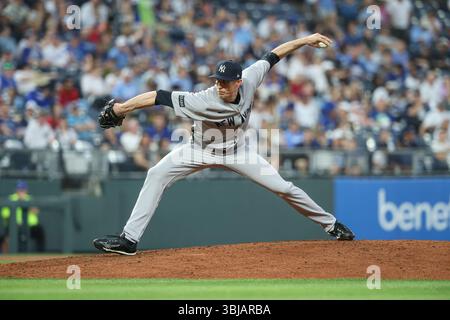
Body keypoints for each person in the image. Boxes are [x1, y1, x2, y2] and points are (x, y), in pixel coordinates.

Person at [93, 33, 355, 255]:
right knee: (156, 174)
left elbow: (273, 55)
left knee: (284, 187)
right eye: (217, 80)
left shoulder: (251, 78)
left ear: (238, 81)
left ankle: (331, 225)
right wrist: (121, 108)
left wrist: (305, 40)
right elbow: (158, 96)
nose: (219, 85)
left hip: (237, 151)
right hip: (198, 150)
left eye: (225, 81)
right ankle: (129, 239)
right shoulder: (202, 99)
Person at [0, 180, 45, 253]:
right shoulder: (11, 198)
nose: (21, 191)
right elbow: (4, 213)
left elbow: (36, 211)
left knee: (40, 231)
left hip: (30, 226)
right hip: (15, 225)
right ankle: (5, 257)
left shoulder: (29, 198)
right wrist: (14, 222)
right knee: (6, 236)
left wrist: (30, 207)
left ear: (26, 190)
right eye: (20, 189)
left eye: (23, 189)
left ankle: (41, 257)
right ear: (16, 190)